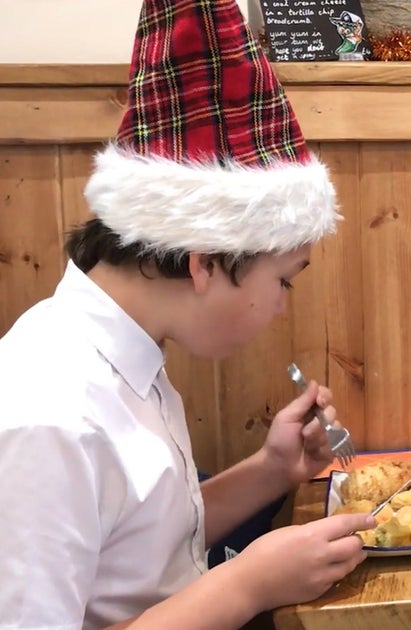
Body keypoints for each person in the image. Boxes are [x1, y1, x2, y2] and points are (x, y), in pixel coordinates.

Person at [0, 0, 374, 628]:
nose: (282, 307)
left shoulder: (130, 357)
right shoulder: (47, 414)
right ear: (204, 263)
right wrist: (247, 584)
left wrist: (273, 470)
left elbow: (139, 549)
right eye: (283, 281)